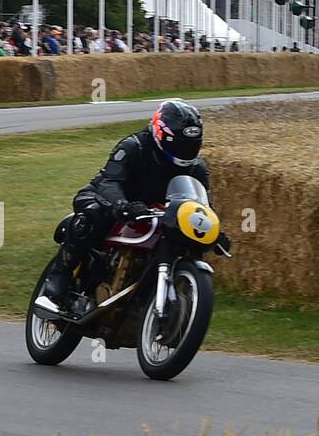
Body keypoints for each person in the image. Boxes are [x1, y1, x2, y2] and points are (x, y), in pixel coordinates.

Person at [37, 99, 229, 310]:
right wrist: (121, 205)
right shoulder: (135, 145)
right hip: (106, 198)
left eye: (191, 144)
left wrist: (214, 232)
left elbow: (202, 206)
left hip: (153, 213)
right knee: (94, 215)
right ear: (161, 132)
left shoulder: (197, 168)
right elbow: (110, 181)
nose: (185, 149)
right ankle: (55, 284)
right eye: (179, 142)